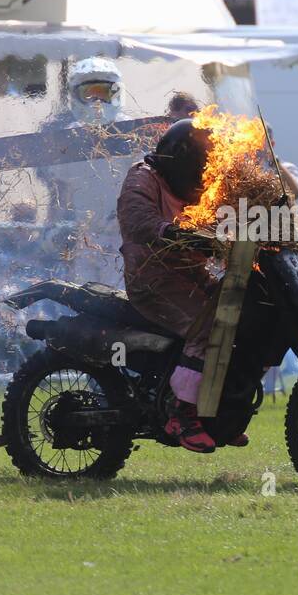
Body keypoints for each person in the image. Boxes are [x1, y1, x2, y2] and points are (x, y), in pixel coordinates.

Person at [116, 118, 226, 452]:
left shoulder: (203, 186)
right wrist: (173, 232)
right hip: (153, 280)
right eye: (198, 172)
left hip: (189, 274)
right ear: (179, 164)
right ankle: (183, 413)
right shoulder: (142, 177)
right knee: (209, 324)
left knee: (240, 315)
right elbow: (137, 220)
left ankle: (220, 413)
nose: (202, 183)